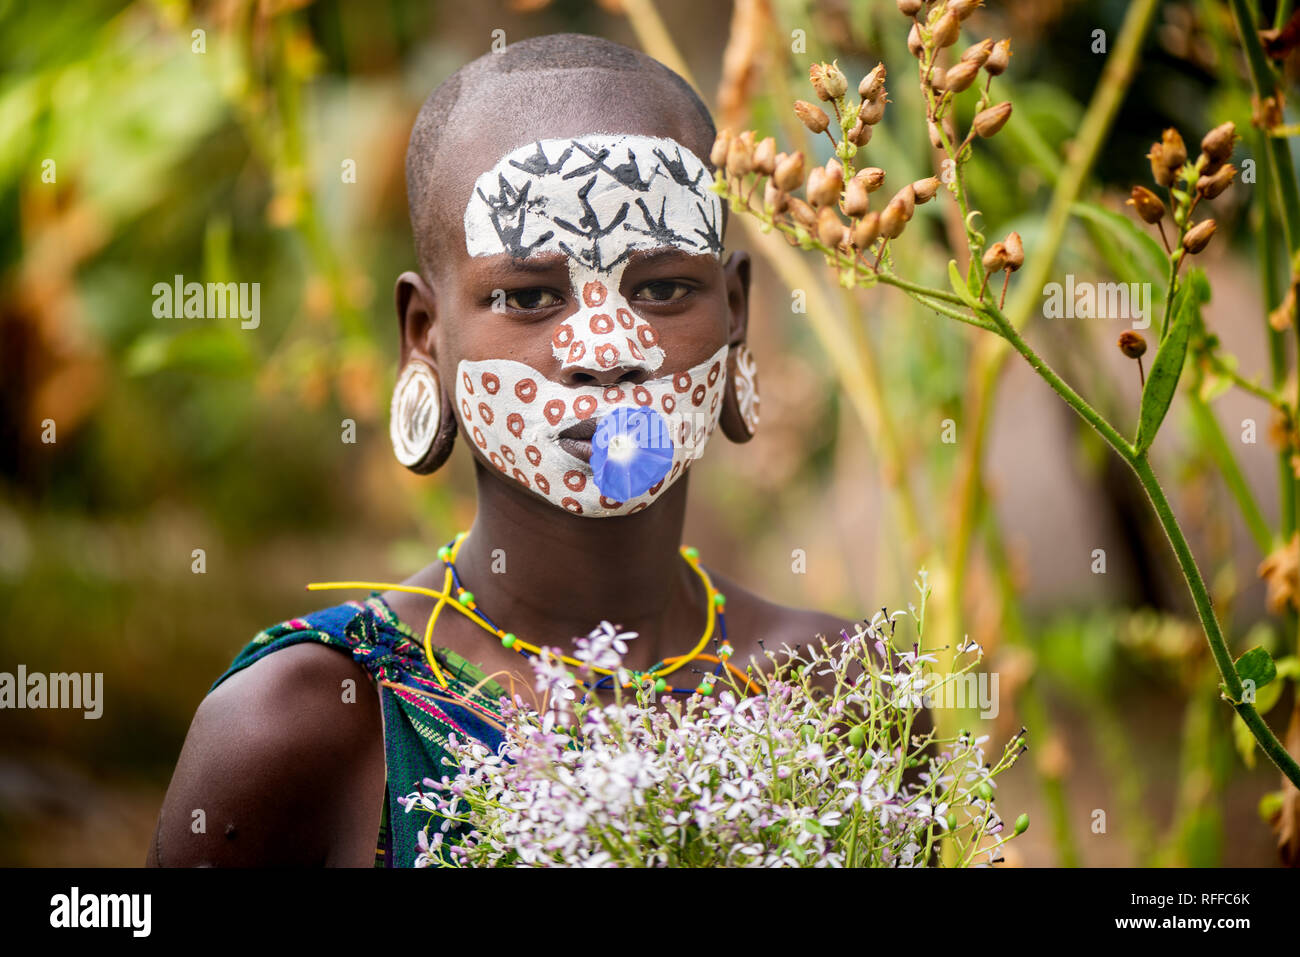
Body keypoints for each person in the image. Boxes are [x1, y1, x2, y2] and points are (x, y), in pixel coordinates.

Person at [147, 32, 859, 868]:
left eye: (663, 288)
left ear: (734, 310)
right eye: (529, 296)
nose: (607, 348)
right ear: (425, 338)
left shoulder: (843, 691)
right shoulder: (310, 718)